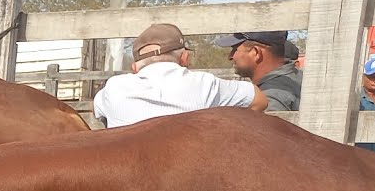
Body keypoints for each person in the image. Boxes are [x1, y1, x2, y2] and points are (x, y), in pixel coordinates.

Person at [93, 23, 268, 129]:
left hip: (129, 186)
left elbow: (99, 112)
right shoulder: (204, 84)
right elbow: (259, 100)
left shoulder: (113, 88)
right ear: (185, 58)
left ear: (134, 67)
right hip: (187, 184)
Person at [215, 31, 303, 111]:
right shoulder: (299, 77)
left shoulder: (269, 98)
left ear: (256, 53)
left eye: (235, 49)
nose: (230, 56)